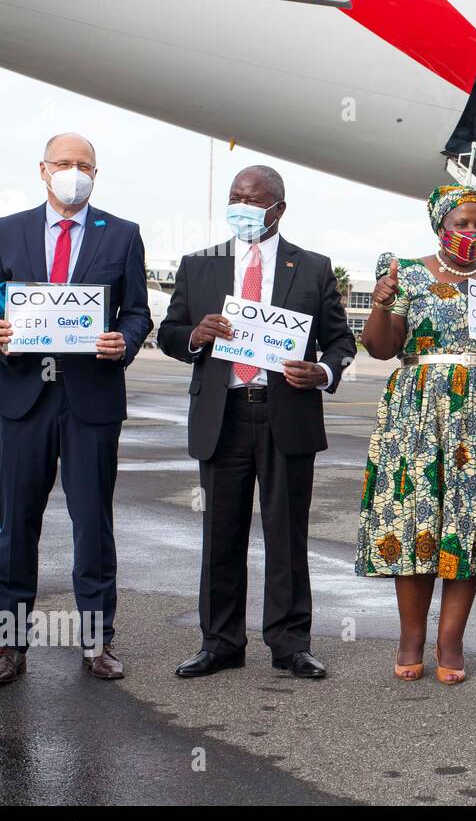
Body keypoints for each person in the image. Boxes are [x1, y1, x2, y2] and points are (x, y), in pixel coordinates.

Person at [159, 165, 355, 679]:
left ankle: (290, 643)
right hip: (222, 414)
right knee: (220, 534)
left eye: (253, 199)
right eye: (235, 197)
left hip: (284, 413)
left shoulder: (312, 268)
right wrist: (196, 336)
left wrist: (324, 371)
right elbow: (169, 334)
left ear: (278, 209)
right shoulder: (199, 265)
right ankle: (220, 642)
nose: (241, 206)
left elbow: (341, 341)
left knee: (286, 535)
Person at [355, 185, 476, 684]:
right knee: (415, 520)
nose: (473, 233)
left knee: (468, 523)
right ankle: (410, 637)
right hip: (417, 411)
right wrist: (379, 305)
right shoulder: (404, 272)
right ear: (441, 226)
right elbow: (380, 347)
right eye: (463, 223)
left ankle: (450, 640)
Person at [0, 133, 151, 685]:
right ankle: (9, 644)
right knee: (14, 524)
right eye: (64, 163)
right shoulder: (7, 230)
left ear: (96, 173)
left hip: (91, 397)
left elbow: (137, 312)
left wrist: (124, 342)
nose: (74, 171)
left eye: (84, 164)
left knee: (93, 522)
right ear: (43, 170)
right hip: (21, 398)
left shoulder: (123, 234)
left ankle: (97, 642)